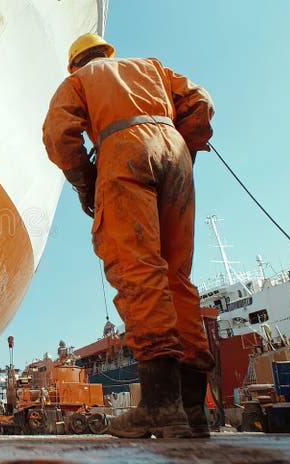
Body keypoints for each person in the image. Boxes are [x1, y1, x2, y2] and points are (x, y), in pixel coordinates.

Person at [42, 33, 215, 439]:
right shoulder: (152, 67)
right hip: (174, 153)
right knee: (177, 280)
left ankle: (160, 407)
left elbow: (58, 133)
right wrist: (183, 148)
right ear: (107, 53)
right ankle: (193, 411)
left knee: (139, 271)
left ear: (76, 63)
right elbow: (199, 102)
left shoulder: (79, 80)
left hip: (124, 152)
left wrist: (86, 182)